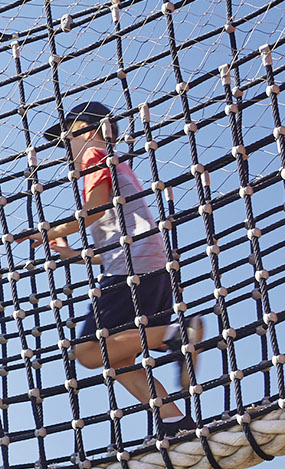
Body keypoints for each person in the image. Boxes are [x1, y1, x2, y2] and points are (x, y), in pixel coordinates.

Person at [24, 99, 204, 437]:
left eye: (69, 139)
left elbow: (93, 210)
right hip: (147, 264)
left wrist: (50, 231)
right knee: (117, 360)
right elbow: (112, 242)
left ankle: (175, 335)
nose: (68, 149)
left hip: (133, 264)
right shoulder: (117, 166)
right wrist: (73, 255)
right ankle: (174, 420)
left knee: (88, 352)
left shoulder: (95, 155)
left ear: (90, 132)